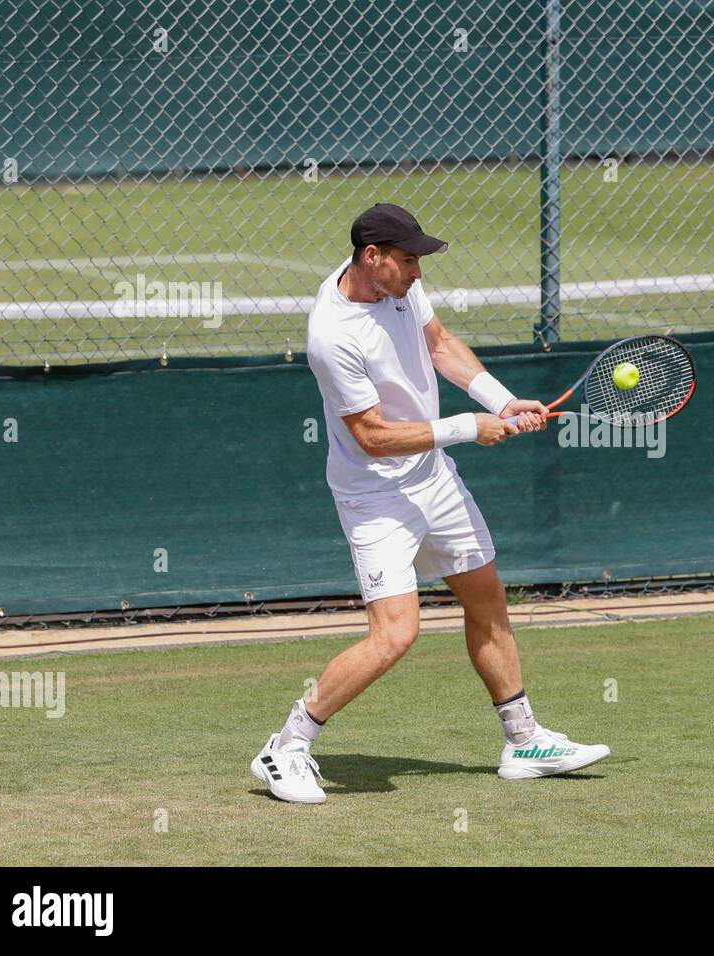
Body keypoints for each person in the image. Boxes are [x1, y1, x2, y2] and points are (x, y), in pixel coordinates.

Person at [251, 203, 610, 803]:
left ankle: (522, 741)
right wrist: (468, 428)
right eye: (409, 258)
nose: (418, 270)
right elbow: (372, 435)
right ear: (373, 258)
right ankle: (284, 748)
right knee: (395, 634)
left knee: (486, 595)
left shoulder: (400, 285)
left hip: (432, 476)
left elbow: (438, 343)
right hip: (375, 494)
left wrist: (500, 401)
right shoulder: (332, 335)